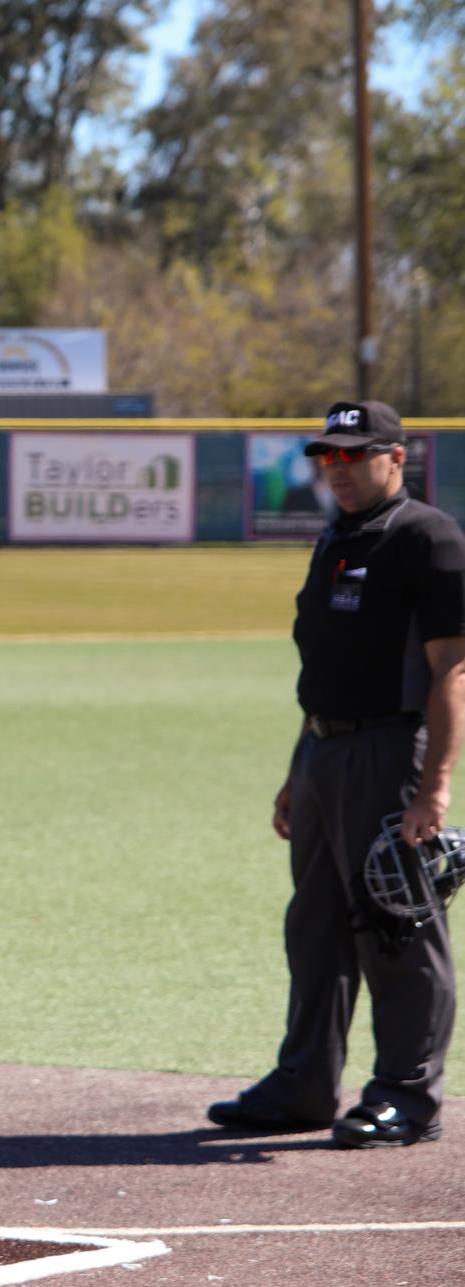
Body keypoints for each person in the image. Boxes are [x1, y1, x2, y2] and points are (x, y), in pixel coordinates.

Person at [210, 399, 464, 1149]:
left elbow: (452, 669)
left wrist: (434, 788)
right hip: (324, 752)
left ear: (397, 456)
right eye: (328, 457)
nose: (339, 469)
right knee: (314, 924)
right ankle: (305, 1083)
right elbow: (324, 668)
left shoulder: (429, 537)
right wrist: (299, 766)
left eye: (354, 455)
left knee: (396, 919)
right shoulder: (336, 537)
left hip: (391, 752)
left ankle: (407, 1093)